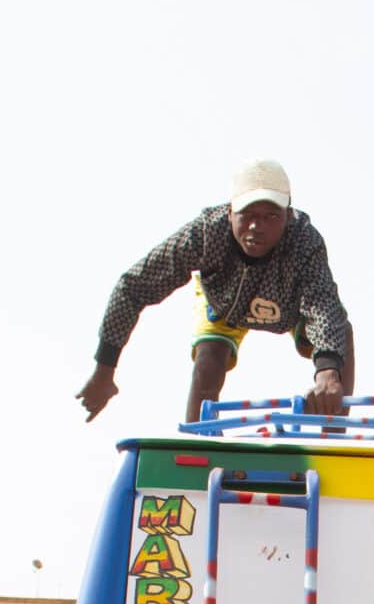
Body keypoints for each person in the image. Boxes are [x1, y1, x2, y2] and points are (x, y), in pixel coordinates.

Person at [75, 158, 355, 425]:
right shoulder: (207, 234)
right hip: (224, 304)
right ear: (230, 212)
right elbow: (134, 286)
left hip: (292, 306)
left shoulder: (303, 241)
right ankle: (199, 441)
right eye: (247, 215)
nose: (257, 227)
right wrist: (104, 371)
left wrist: (327, 370)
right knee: (209, 357)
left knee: (339, 332)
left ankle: (334, 430)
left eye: (271, 216)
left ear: (288, 215)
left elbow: (322, 304)